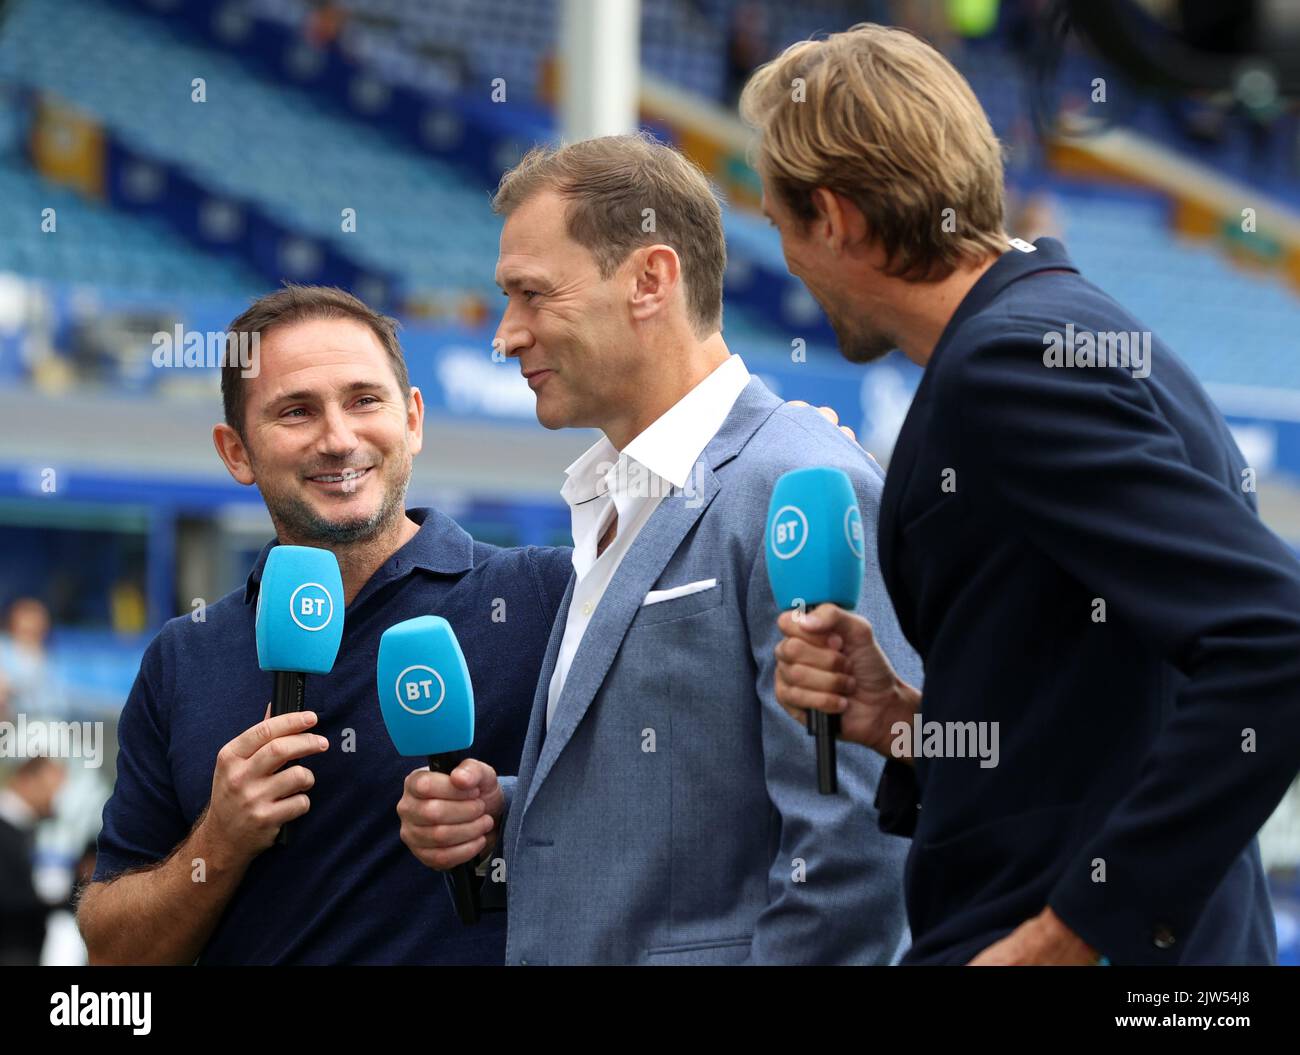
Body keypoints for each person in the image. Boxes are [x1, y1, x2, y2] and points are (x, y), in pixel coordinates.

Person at [743, 22, 1300, 964]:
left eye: (780, 224)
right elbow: (1089, 726)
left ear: (833, 218)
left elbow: (1274, 637)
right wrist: (908, 725)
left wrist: (1071, 932)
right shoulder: (1065, 327)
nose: (789, 257)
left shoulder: (1014, 361)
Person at [397, 135, 920, 965]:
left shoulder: (798, 480)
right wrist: (505, 813)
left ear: (650, 280)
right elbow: (690, 799)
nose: (506, 334)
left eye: (531, 295)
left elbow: (853, 842)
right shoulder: (616, 495)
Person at [77, 286, 573, 964]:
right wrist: (218, 840)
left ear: (414, 420)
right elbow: (112, 952)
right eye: (296, 410)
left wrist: (504, 813)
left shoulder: (545, 595)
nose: (338, 439)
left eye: (365, 400)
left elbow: (654, 815)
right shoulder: (182, 657)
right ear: (236, 451)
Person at [0, 756, 65, 965]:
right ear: (27, 780)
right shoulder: (9, 834)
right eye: (52, 788)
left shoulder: (31, 832)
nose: (56, 797)